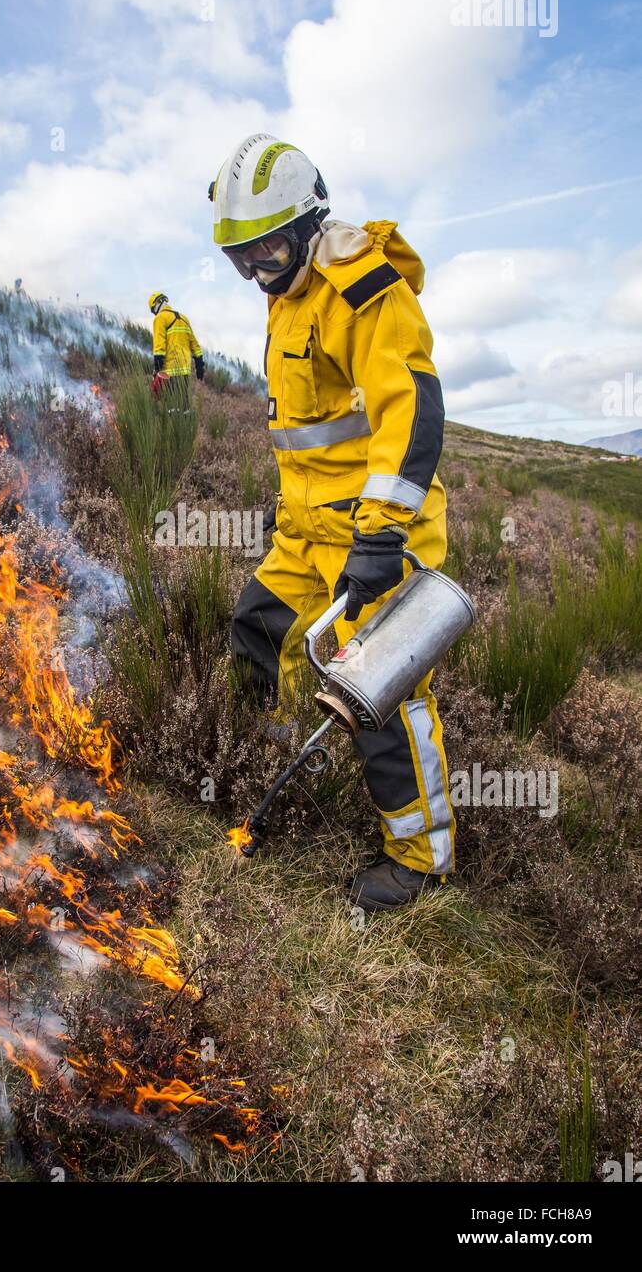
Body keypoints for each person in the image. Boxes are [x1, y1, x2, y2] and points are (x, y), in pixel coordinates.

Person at [211, 134, 450, 913]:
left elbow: (409, 409)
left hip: (378, 538)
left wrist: (382, 537)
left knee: (381, 692)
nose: (258, 273)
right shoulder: (286, 302)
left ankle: (418, 859)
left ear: (312, 221)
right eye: (242, 258)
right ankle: (275, 761)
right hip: (305, 538)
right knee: (257, 626)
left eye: (270, 251)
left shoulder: (362, 290)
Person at [148, 292, 204, 407]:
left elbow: (159, 347)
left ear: (157, 304)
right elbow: (195, 345)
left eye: (153, 310)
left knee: (171, 408)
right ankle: (186, 424)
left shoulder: (160, 318)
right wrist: (199, 366)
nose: (155, 313)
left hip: (169, 372)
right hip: (184, 371)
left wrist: (157, 369)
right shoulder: (184, 318)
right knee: (184, 406)